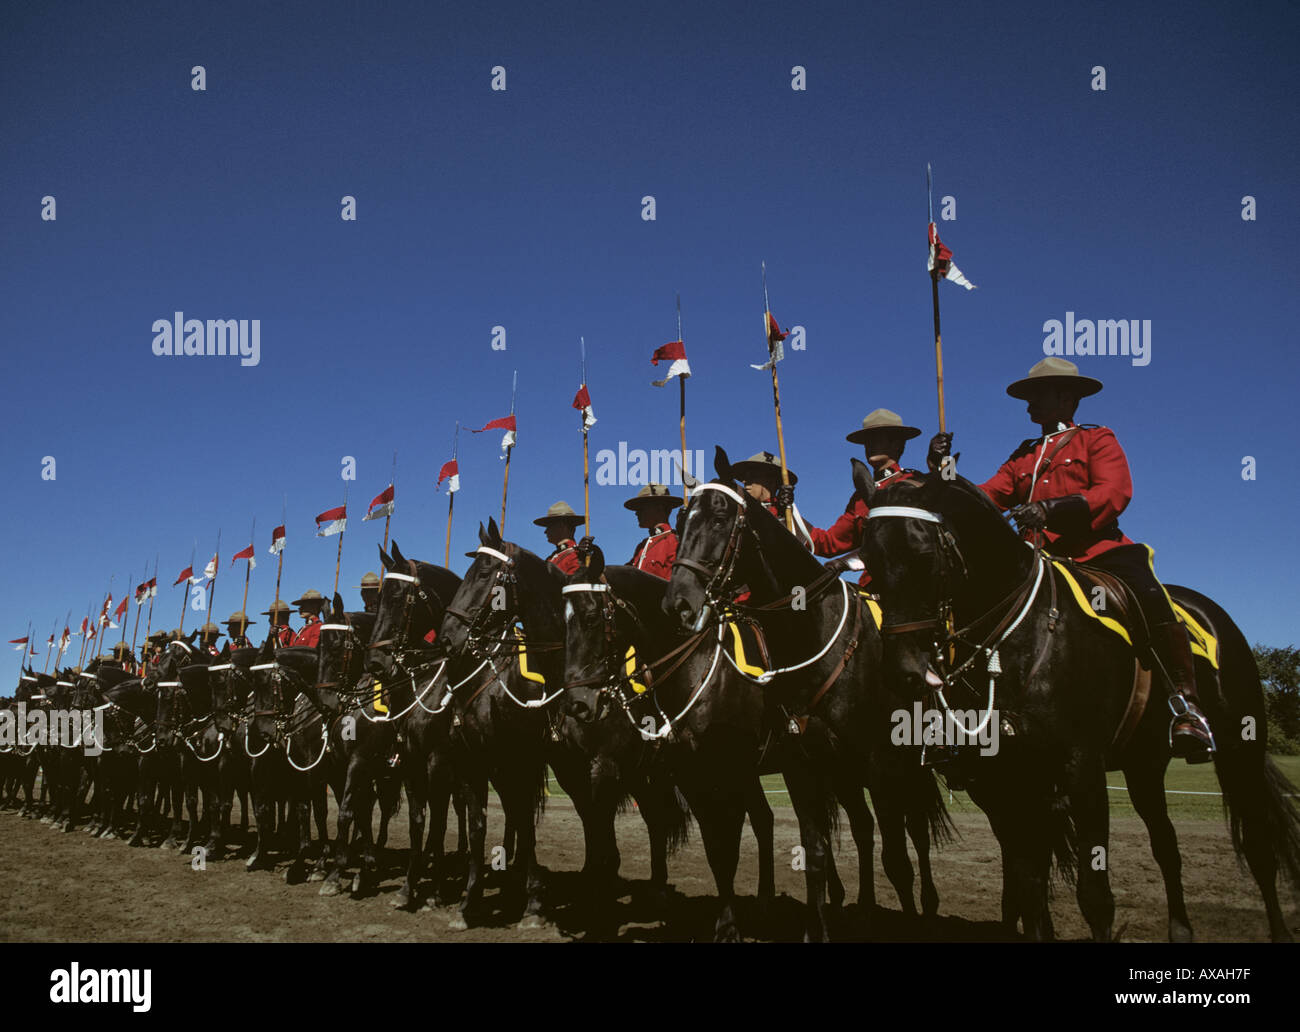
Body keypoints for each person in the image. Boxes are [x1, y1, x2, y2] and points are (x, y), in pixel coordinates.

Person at [927, 356, 1214, 761]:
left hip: (1095, 553)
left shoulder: (1097, 440)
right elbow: (984, 499)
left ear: (1066, 398)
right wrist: (943, 470)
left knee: (1148, 593)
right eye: (1028, 398)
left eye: (1037, 396)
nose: (1029, 406)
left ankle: (1187, 706)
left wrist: (1052, 509)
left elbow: (1114, 493)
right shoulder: (1023, 456)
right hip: (1037, 561)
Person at [805, 409, 924, 589]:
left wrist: (942, 467)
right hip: (872, 588)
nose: (870, 445)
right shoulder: (860, 497)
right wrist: (786, 514)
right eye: (867, 440)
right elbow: (828, 543)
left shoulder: (915, 484)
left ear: (897, 443)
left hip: (912, 586)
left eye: (877, 438)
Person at [729, 451, 814, 549]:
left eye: (752, 476)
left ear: (771, 481)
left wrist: (782, 519)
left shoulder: (789, 519)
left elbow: (828, 543)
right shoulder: (738, 513)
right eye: (745, 477)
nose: (744, 481)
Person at [624, 484, 680, 580]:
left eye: (641, 508)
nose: (637, 513)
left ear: (659, 508)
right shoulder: (641, 546)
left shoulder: (675, 542)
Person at [533, 501, 583, 574]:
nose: (545, 531)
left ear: (562, 527)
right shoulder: (552, 558)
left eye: (549, 526)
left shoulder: (576, 555)